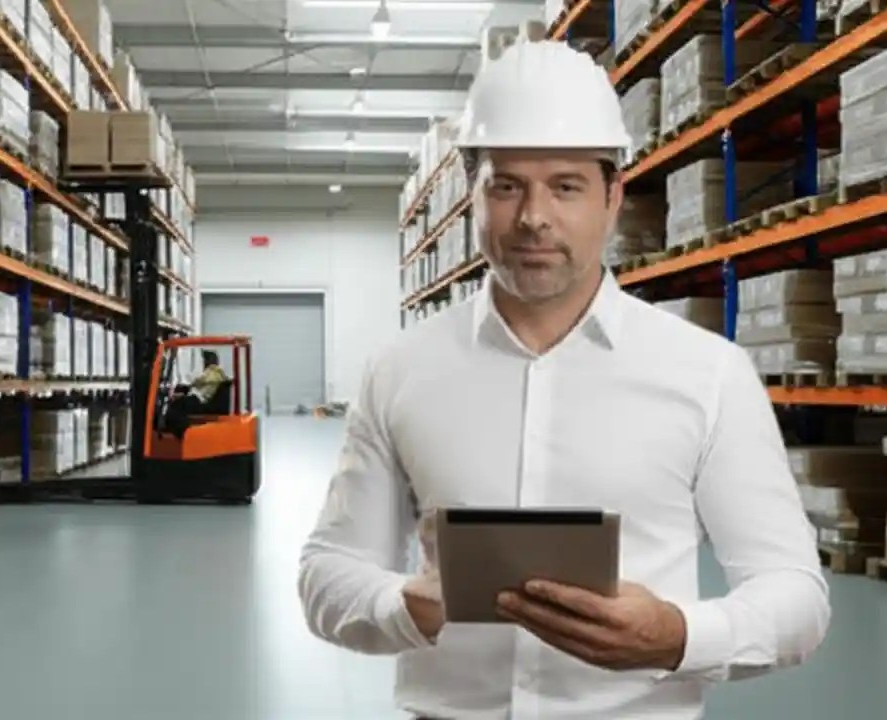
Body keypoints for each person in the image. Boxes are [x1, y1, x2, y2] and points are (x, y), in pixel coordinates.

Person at [296, 34, 830, 720]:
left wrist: (676, 636)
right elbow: (325, 574)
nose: (534, 218)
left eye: (567, 186)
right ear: (473, 196)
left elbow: (795, 594)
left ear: (613, 197)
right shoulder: (401, 371)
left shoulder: (708, 373)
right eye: (507, 185)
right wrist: (403, 606)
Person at [163, 350, 229, 436]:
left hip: (200, 400)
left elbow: (195, 382)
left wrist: (181, 385)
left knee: (173, 410)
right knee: (177, 405)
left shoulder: (213, 373)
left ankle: (188, 434)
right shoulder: (215, 374)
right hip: (200, 398)